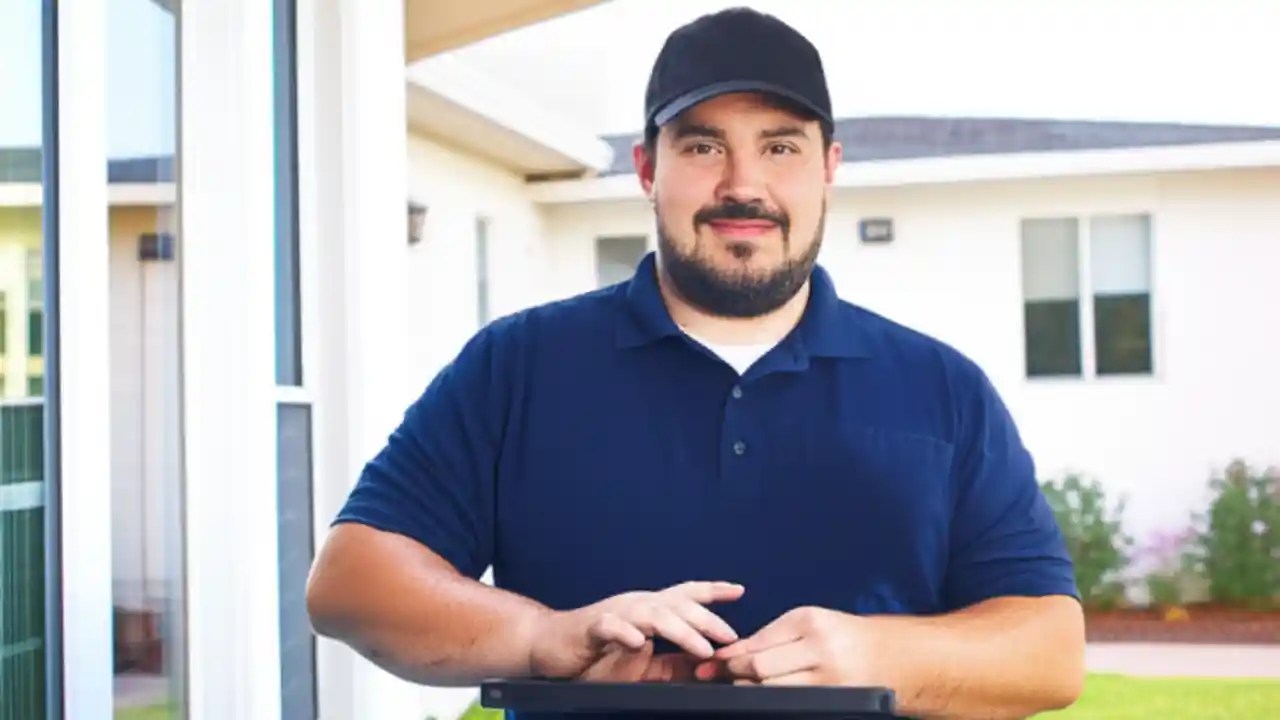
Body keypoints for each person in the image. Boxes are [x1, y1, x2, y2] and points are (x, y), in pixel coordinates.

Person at [306, 7, 1085, 719]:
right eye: (703, 145)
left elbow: (1049, 651)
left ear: (829, 167)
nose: (743, 184)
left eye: (779, 146)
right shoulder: (518, 366)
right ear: (648, 170)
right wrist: (547, 637)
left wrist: (879, 655)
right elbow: (350, 582)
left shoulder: (941, 389)